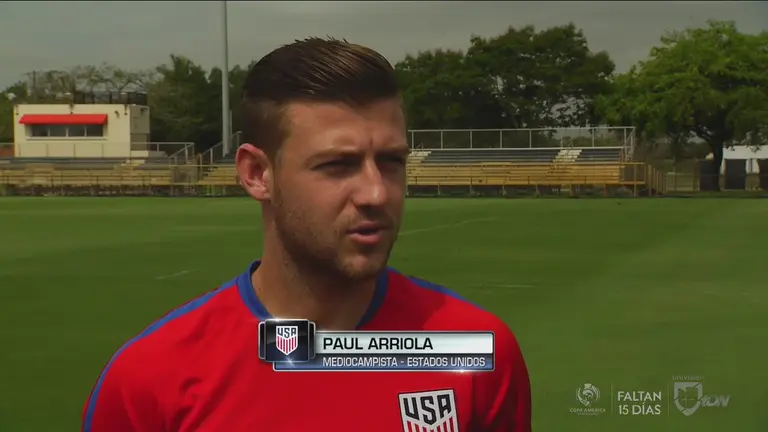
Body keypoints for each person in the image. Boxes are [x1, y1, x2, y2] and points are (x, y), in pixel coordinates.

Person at [82, 37, 531, 432]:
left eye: (392, 161)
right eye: (338, 165)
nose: (377, 192)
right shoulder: (151, 378)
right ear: (258, 174)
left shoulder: (476, 350)